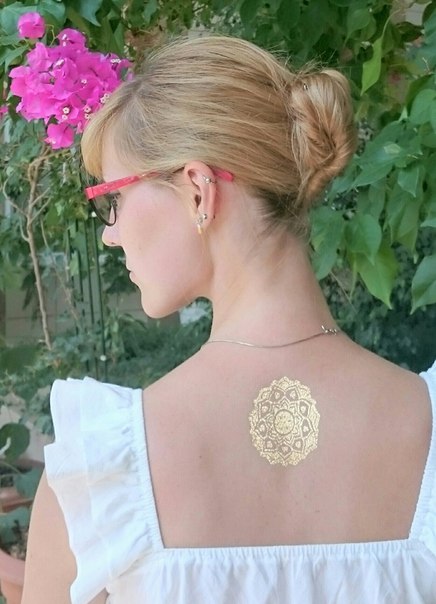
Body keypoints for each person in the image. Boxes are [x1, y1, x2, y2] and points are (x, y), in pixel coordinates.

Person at [23, 35, 435, 604]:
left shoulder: (99, 475)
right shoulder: (426, 428)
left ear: (198, 191)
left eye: (112, 199)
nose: (110, 233)